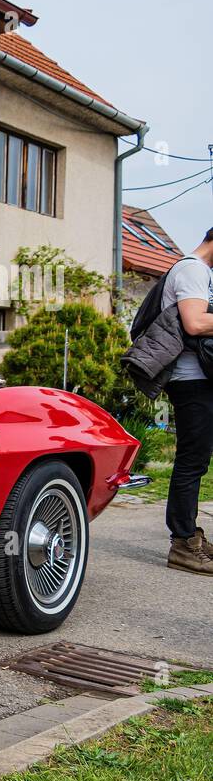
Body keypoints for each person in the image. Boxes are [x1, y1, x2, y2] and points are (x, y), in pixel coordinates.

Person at [163, 227, 213, 574]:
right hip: (191, 381)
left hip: (198, 379)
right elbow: (194, 323)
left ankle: (189, 534)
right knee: (192, 460)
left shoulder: (199, 272)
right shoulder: (193, 269)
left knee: (197, 459)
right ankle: (183, 543)